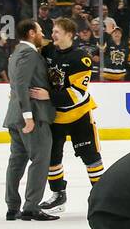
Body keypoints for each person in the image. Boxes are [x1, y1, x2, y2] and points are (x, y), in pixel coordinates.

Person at [39, 17, 104, 211]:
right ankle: (58, 195)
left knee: (91, 157)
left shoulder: (81, 58)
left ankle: (101, 196)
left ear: (69, 34)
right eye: (52, 31)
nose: (52, 35)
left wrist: (47, 95)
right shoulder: (49, 50)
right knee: (52, 157)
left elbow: (76, 95)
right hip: (55, 117)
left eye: (56, 32)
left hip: (79, 116)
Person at [4, 19, 57, 221]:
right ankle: (31, 207)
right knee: (40, 159)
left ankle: (12, 206)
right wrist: (29, 117)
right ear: (31, 33)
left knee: (16, 161)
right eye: (40, 31)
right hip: (32, 116)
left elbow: (17, 85)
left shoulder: (15, 53)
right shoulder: (29, 54)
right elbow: (20, 84)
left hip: (15, 116)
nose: (42, 33)